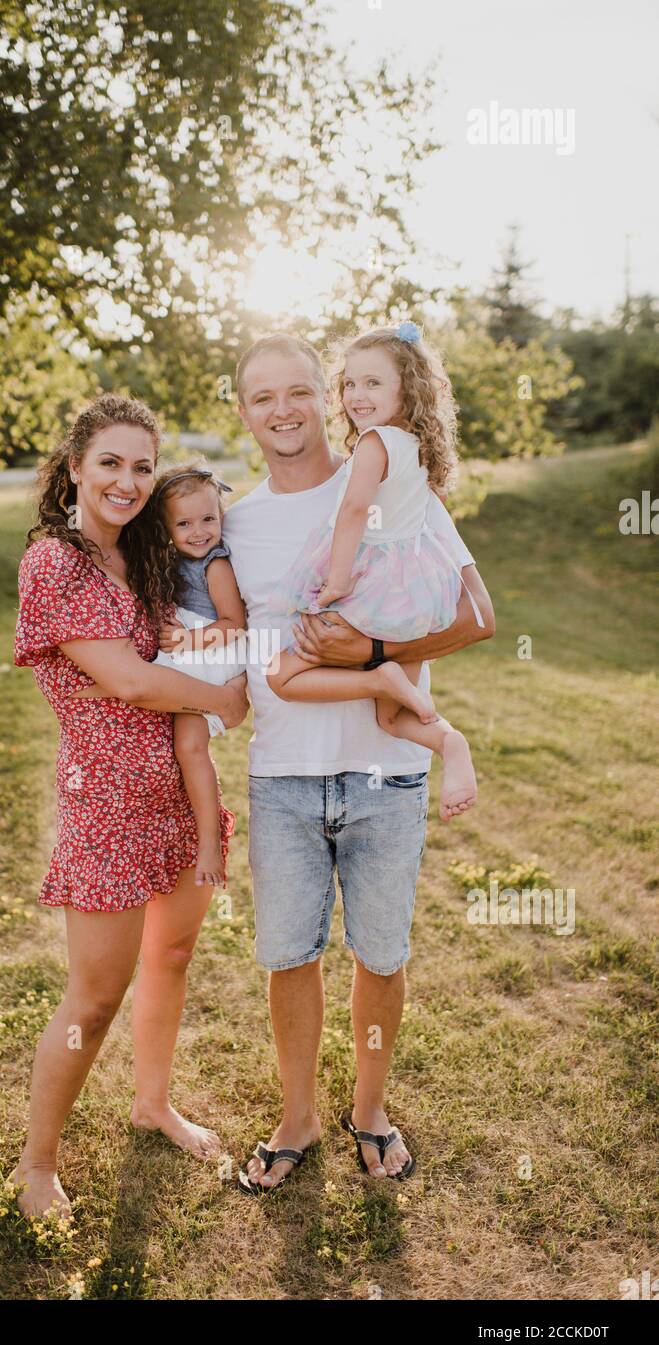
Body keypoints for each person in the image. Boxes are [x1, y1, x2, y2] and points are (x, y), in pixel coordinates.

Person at [221, 334, 495, 1192]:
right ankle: (296, 1115)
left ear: (326, 397)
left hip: (385, 772)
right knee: (287, 956)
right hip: (282, 773)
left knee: (380, 956)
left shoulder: (386, 479)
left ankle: (369, 1111)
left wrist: (374, 645)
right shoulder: (235, 523)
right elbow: (221, 641)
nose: (282, 410)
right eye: (261, 397)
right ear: (242, 410)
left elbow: (476, 614)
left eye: (298, 391)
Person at [11, 394, 248, 1220]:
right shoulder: (54, 564)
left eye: (142, 465)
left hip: (179, 796)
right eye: (109, 462)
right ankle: (36, 1164)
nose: (127, 479)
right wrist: (223, 698)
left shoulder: (145, 559)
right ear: (74, 466)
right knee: (94, 996)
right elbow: (128, 679)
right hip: (107, 804)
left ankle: (152, 1103)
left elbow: (190, 621)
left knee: (171, 961)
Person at [265, 322, 480, 822]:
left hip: (369, 588)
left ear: (407, 386)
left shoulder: (373, 443)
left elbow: (355, 512)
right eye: (350, 383)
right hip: (414, 596)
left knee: (281, 673)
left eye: (373, 383)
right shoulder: (416, 447)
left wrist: (338, 580)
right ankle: (450, 742)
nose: (357, 395)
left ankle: (380, 677)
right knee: (393, 717)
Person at [149, 463, 248, 888]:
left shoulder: (215, 565)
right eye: (184, 523)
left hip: (211, 651)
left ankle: (210, 840)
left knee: (190, 745)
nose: (199, 532)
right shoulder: (168, 559)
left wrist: (189, 641)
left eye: (209, 519)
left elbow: (234, 624)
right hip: (187, 648)